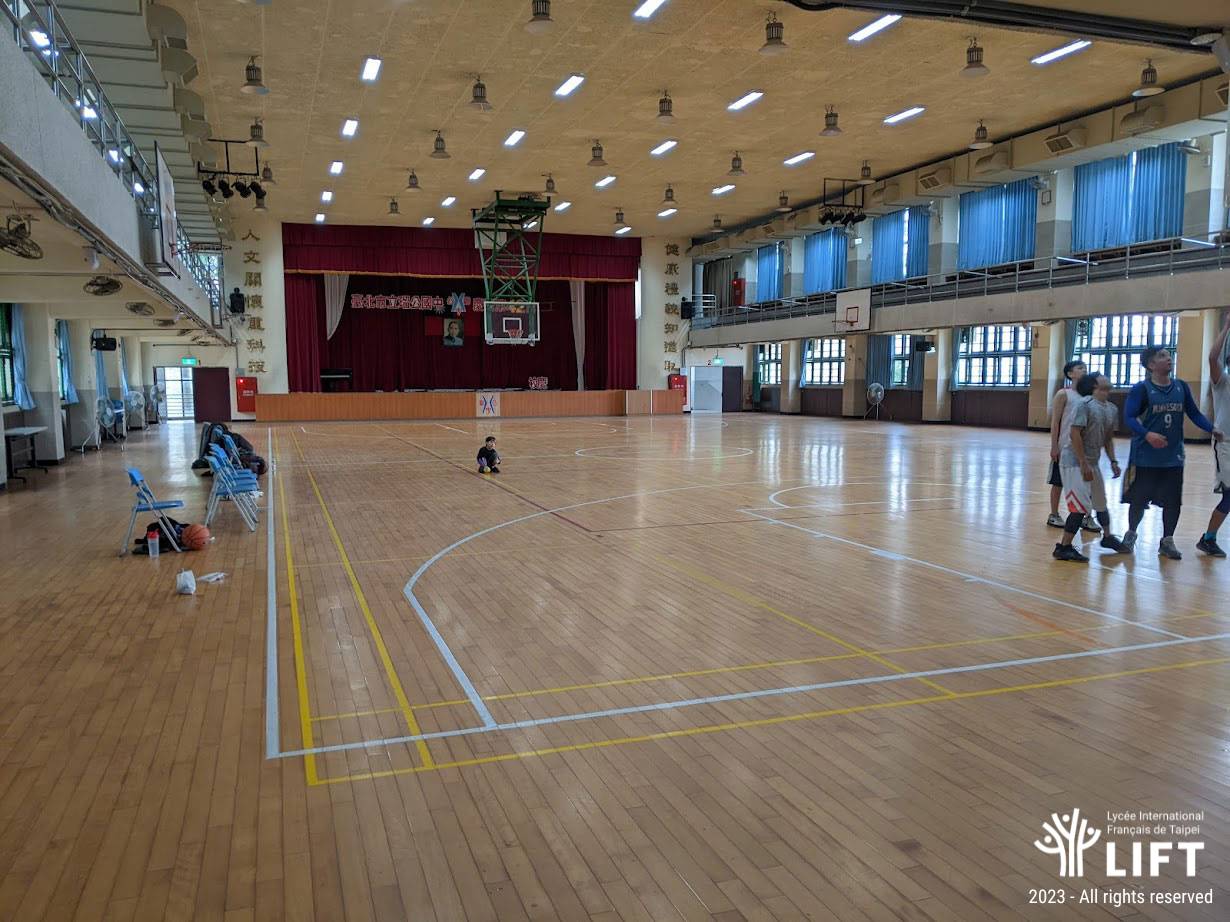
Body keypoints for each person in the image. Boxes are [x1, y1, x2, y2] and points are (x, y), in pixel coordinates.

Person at [1121, 345, 1223, 559]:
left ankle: (1167, 540)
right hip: (1145, 457)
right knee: (1139, 500)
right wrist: (1147, 434)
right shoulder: (1142, 389)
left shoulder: (1180, 387)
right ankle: (1131, 533)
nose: (1169, 358)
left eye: (1169, 355)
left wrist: (1211, 428)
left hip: (1173, 457)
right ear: (1151, 365)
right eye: (1162, 356)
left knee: (1173, 501)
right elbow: (1129, 417)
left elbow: (1194, 413)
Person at [1053, 373, 1127, 562]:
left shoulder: (1111, 408)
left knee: (1101, 501)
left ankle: (1108, 537)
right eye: (1101, 377)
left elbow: (1108, 437)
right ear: (1094, 385)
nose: (1106, 376)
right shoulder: (1084, 405)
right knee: (1079, 507)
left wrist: (1113, 461)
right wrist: (1083, 462)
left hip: (1092, 462)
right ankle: (1063, 547)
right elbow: (1075, 434)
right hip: (1074, 462)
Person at [1048, 360, 1099, 533]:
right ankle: (1054, 514)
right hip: (1065, 446)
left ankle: (1087, 517)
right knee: (1058, 482)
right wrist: (1054, 445)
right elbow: (1055, 422)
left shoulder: (1090, 396)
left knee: (1088, 482)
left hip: (1086, 448)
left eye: (1085, 367)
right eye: (1080, 368)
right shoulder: (1064, 394)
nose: (1084, 370)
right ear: (1070, 373)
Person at [1198, 313, 1230, 557]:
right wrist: (1227, 326)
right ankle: (1208, 539)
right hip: (1226, 444)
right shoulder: (1223, 381)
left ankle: (1208, 538)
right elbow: (1211, 357)